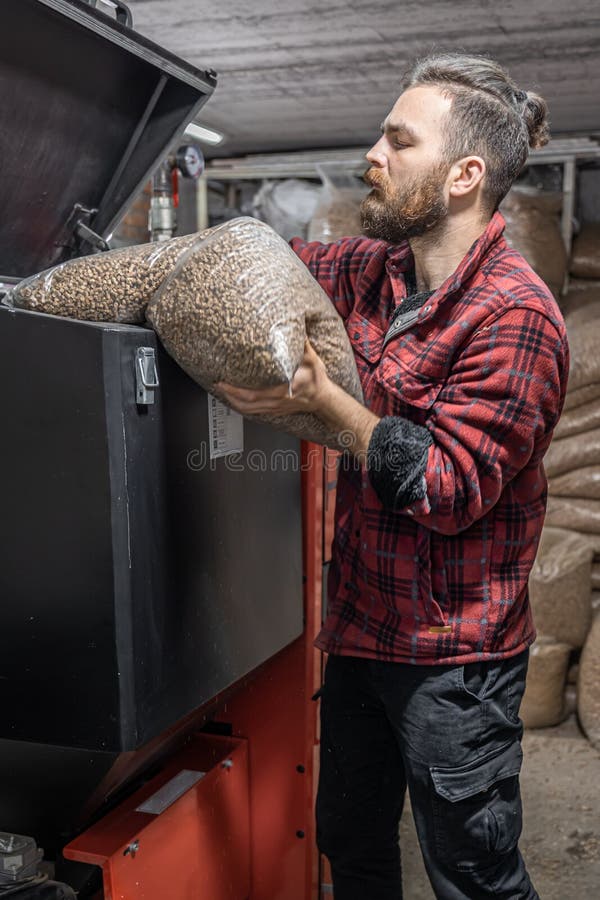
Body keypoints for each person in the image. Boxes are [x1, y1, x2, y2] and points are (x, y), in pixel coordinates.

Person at [218, 53, 569, 900]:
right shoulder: (374, 271)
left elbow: (448, 488)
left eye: (397, 139)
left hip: (455, 661)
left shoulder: (516, 317)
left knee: (473, 872)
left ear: (463, 175)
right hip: (362, 632)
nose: (372, 153)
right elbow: (273, 262)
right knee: (350, 841)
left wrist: (330, 407)